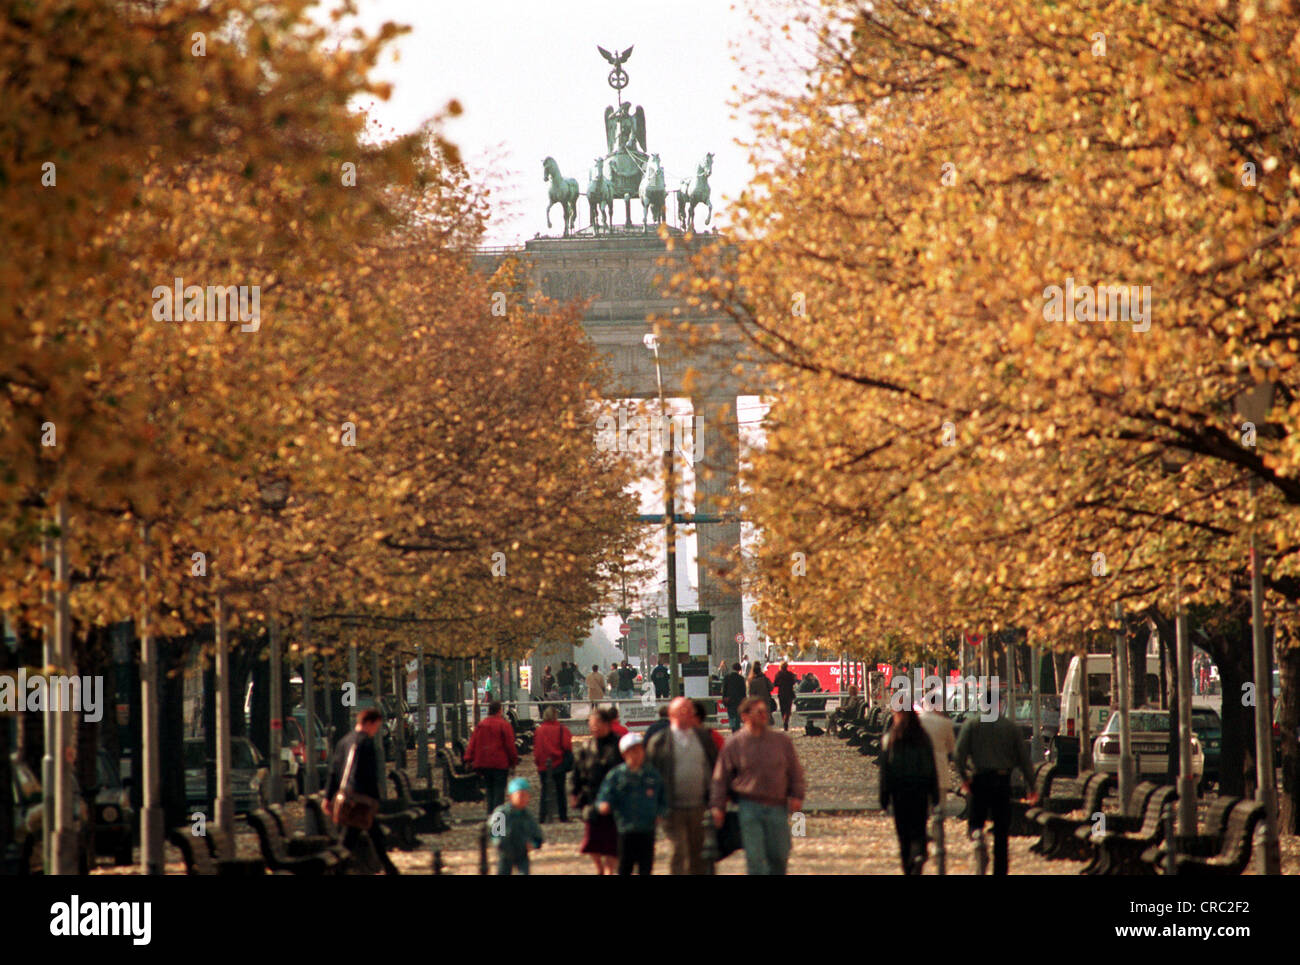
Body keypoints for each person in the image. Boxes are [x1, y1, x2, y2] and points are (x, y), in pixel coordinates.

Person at [710, 697, 806, 875]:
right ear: (745, 716)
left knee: (779, 854)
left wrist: (797, 795)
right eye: (759, 712)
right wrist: (718, 806)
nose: (764, 716)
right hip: (749, 806)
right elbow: (721, 777)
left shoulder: (781, 742)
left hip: (777, 806)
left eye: (765, 712)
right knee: (755, 857)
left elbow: (795, 771)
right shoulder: (735, 743)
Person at [954, 690, 1038, 875]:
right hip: (1002, 782)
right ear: (1000, 705)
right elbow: (1024, 760)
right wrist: (1032, 787)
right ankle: (1000, 871)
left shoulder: (972, 725)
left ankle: (978, 840)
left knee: (976, 821)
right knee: (1001, 832)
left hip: (979, 780)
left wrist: (965, 778)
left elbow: (958, 755)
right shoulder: (1010, 728)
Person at [647, 697, 719, 874]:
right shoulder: (659, 742)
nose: (688, 713)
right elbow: (650, 775)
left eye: (690, 710)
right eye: (682, 710)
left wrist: (717, 800)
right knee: (679, 851)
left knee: (700, 853)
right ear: (671, 714)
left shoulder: (703, 738)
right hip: (671, 808)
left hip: (700, 807)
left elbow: (715, 768)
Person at [325, 708, 399, 875]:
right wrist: (375, 799)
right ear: (369, 723)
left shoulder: (344, 741)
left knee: (366, 836)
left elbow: (334, 771)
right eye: (376, 726)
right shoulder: (365, 743)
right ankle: (339, 869)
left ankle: (389, 868)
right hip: (359, 800)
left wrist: (328, 797)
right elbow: (366, 774)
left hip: (348, 797)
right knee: (355, 838)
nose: (376, 730)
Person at [879, 709, 939, 874]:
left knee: (903, 832)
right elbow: (931, 767)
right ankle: (919, 853)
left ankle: (908, 865)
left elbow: (885, 771)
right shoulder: (923, 737)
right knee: (919, 826)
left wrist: (884, 797)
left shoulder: (890, 739)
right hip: (920, 791)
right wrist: (935, 795)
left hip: (900, 793)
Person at [597, 732, 666, 875]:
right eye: (632, 751)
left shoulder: (652, 775)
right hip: (625, 829)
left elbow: (663, 798)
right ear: (624, 754)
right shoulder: (616, 775)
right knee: (624, 866)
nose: (636, 754)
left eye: (639, 750)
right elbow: (604, 795)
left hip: (647, 828)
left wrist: (661, 813)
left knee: (645, 867)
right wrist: (604, 804)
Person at [572, 707, 622, 873]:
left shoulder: (618, 745)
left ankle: (609, 869)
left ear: (607, 724)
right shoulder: (586, 747)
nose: (594, 727)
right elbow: (577, 772)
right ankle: (599, 867)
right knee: (591, 840)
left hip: (615, 800)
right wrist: (574, 792)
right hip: (591, 798)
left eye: (598, 724)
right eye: (591, 724)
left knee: (611, 842)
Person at [917, 701, 957, 872]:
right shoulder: (945, 724)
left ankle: (922, 842)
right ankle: (938, 841)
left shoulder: (917, 722)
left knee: (921, 808)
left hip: (919, 769)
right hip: (939, 770)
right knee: (939, 808)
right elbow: (951, 748)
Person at [465, 699, 518, 813]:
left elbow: (473, 743)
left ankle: (491, 818)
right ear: (499, 710)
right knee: (499, 794)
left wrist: (468, 759)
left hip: (484, 764)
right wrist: (513, 762)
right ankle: (498, 825)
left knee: (489, 792)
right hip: (500, 764)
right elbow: (510, 745)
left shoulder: (481, 725)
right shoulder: (503, 725)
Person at [490, 776, 543, 875]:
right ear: (511, 796)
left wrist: (534, 844)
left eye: (526, 795)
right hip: (505, 852)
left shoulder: (527, 815)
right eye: (520, 795)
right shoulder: (501, 813)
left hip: (522, 852)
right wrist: (499, 843)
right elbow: (495, 833)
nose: (523, 799)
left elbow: (537, 834)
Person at [533, 705, 573, 823]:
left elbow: (537, 749)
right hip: (559, 763)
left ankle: (542, 816)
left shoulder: (539, 730)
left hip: (543, 765)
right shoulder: (561, 729)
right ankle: (563, 816)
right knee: (561, 791)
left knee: (545, 791)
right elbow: (567, 746)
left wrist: (538, 762)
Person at [722, 662, 748, 733]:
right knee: (737, 718)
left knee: (731, 717)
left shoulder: (727, 677)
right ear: (739, 669)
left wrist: (724, 699)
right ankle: (737, 731)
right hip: (739, 702)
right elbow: (743, 692)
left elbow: (724, 690)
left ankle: (733, 730)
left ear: (732, 668)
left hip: (730, 702)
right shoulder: (741, 679)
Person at [773, 661, 799, 732]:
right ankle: (786, 721)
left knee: (782, 709)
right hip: (789, 694)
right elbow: (793, 682)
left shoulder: (778, 674)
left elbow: (775, 684)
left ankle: (784, 721)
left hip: (781, 694)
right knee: (788, 709)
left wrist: (780, 684)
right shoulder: (790, 674)